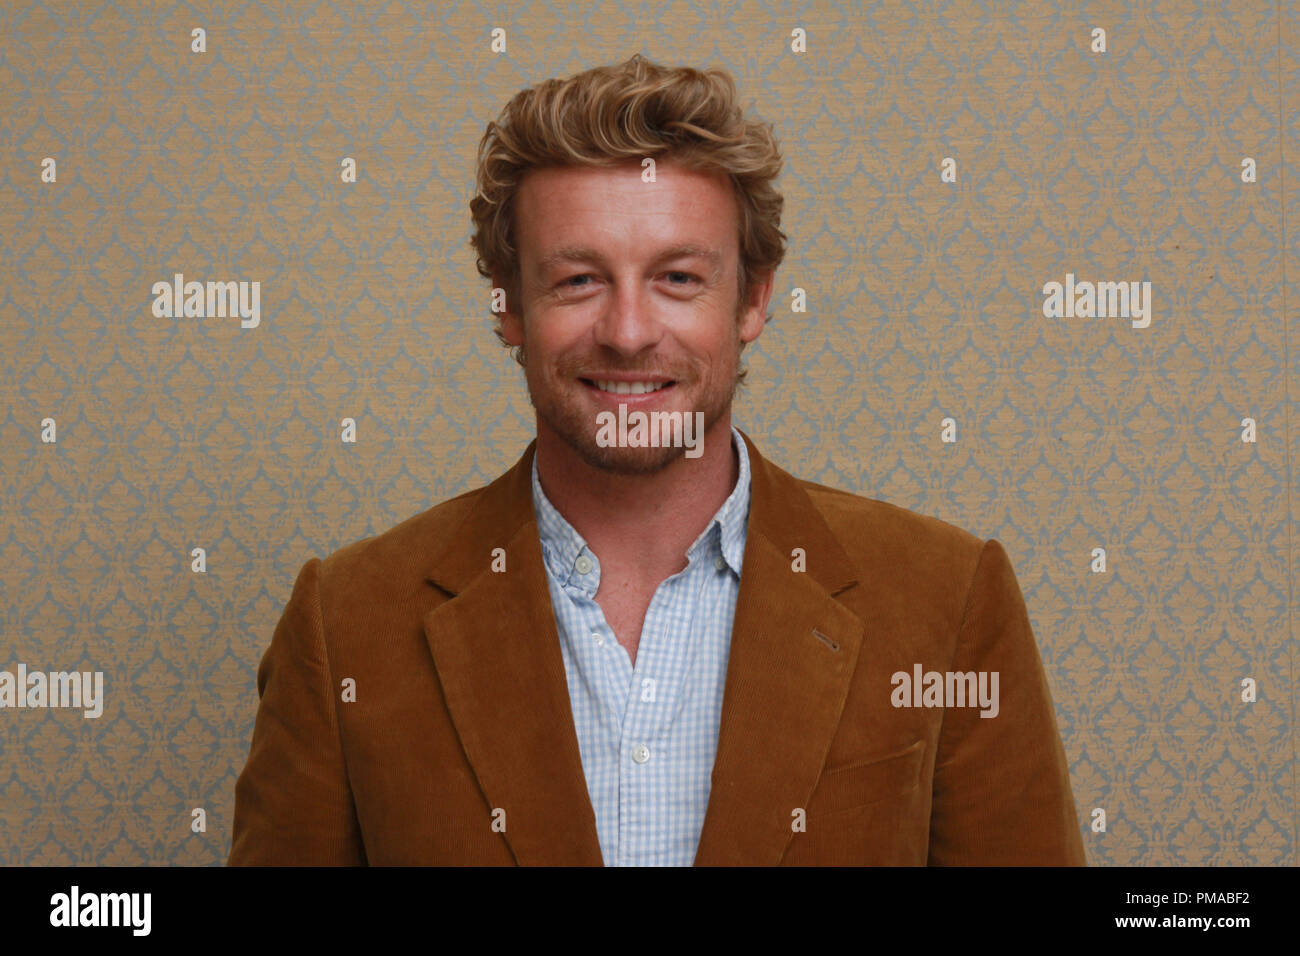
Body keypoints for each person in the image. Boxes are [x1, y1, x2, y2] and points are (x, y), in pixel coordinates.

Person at [228, 53, 1085, 866]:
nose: (629, 332)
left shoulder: (946, 600)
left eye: (677, 277)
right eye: (577, 281)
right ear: (509, 307)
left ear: (751, 298)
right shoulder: (344, 630)